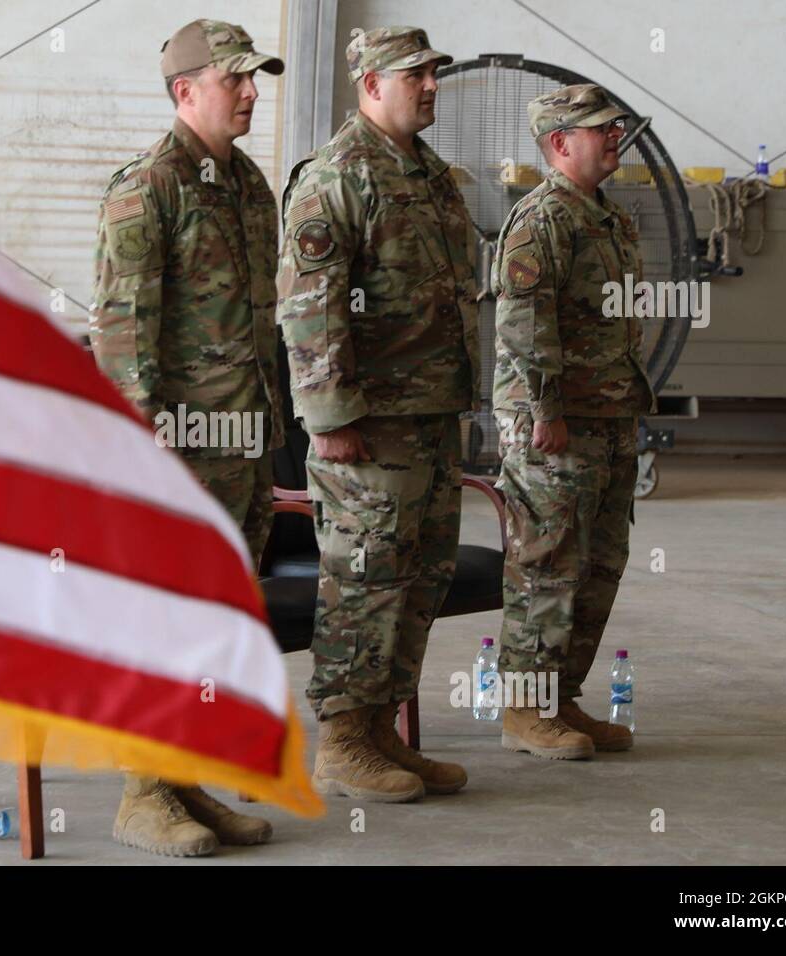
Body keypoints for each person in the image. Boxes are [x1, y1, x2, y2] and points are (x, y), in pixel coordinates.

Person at [89, 19, 284, 856]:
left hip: (243, 443)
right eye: (235, 78)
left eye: (254, 79)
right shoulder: (149, 188)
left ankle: (186, 779)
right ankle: (142, 793)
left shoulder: (248, 187)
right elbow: (122, 333)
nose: (249, 92)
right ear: (185, 90)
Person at [277, 26, 482, 802]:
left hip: (429, 412)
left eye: (434, 74)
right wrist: (328, 416)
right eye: (415, 76)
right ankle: (342, 741)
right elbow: (310, 304)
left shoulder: (428, 172)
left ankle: (382, 731)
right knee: (363, 577)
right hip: (368, 423)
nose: (431, 86)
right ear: (370, 85)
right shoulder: (338, 175)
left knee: (419, 576)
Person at [491, 84, 657, 759]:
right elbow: (524, 323)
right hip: (553, 422)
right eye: (599, 130)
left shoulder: (607, 218)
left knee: (600, 563)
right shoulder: (541, 219)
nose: (615, 138)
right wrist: (545, 410)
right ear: (560, 144)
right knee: (549, 562)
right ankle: (525, 711)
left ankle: (562, 697)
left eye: (616, 128)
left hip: (610, 412)